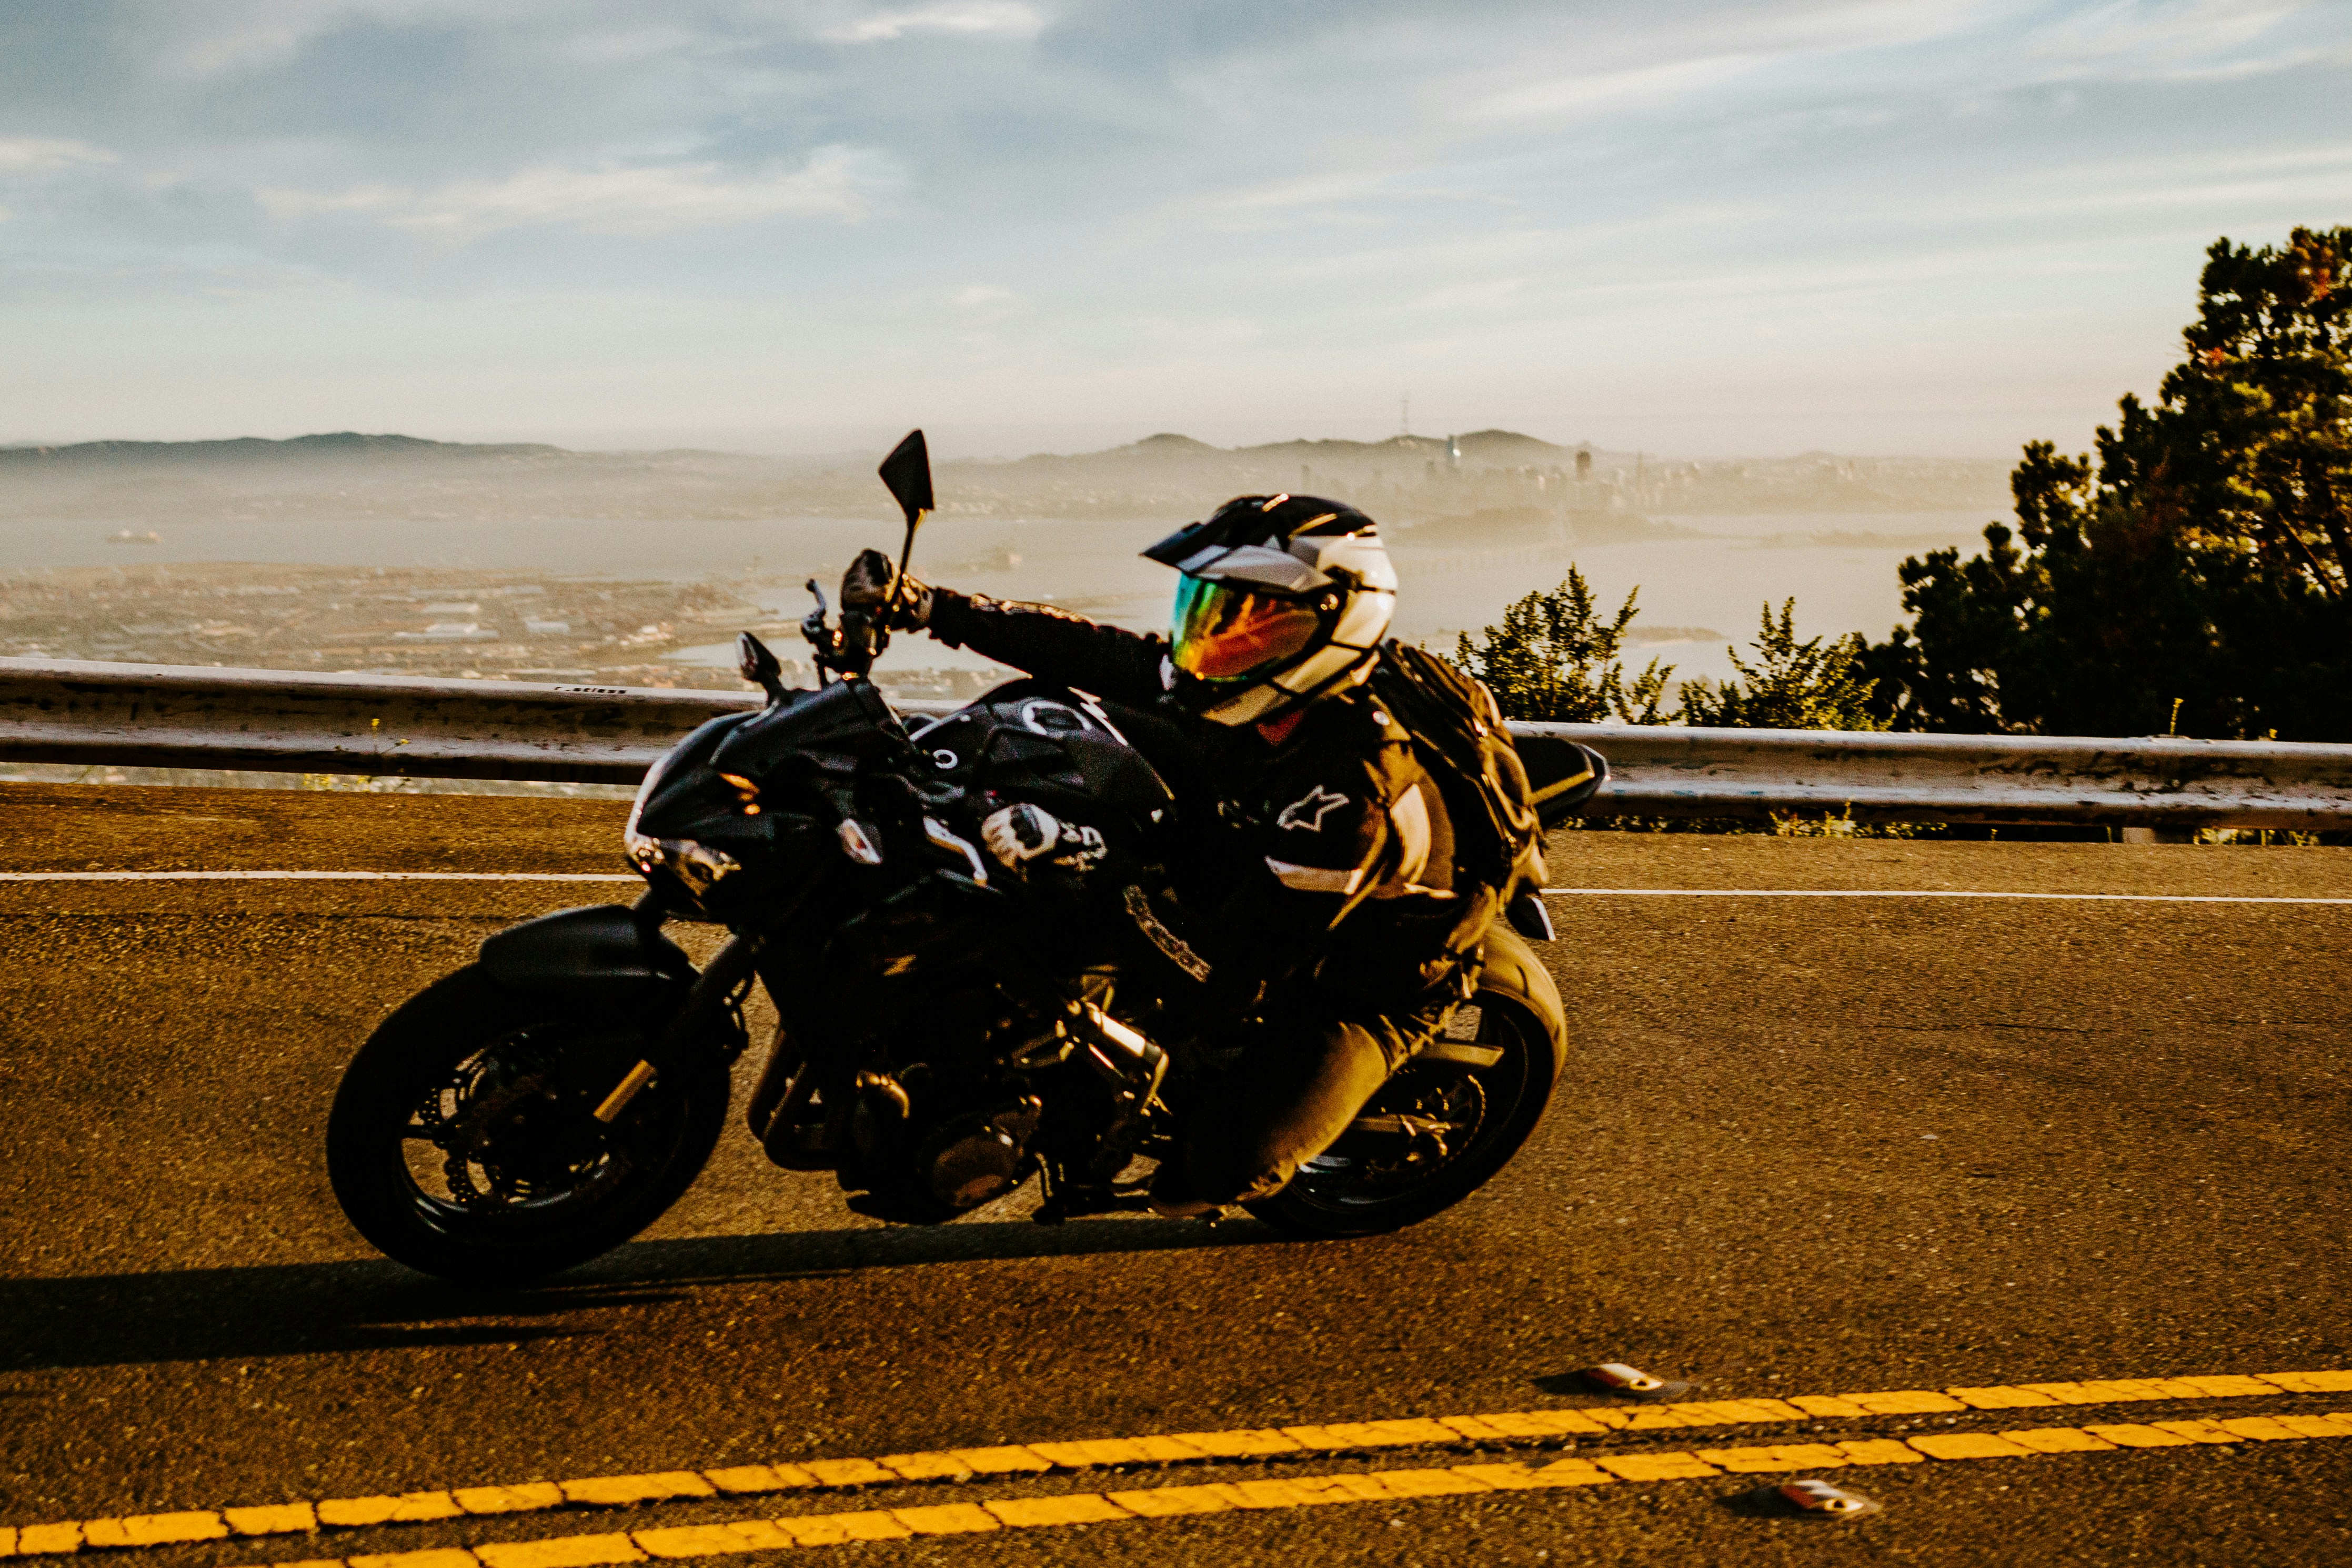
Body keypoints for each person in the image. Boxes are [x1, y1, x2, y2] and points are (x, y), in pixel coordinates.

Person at [842, 494, 1513, 1218]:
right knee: (1048, 732)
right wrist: (932, 607)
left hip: (1359, 976)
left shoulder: (1350, 798)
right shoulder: (1268, 695)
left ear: (1329, 630)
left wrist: (1093, 862)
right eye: (1214, 610)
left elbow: (1226, 973)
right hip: (1260, 851)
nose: (1221, 636)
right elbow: (1104, 655)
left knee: (1212, 1172)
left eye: (1256, 620)